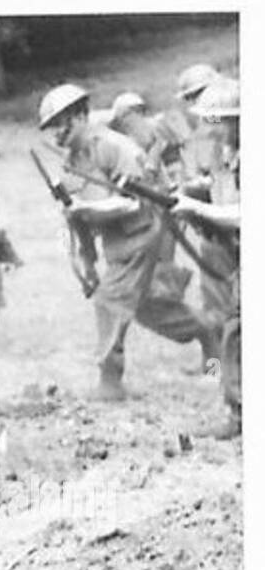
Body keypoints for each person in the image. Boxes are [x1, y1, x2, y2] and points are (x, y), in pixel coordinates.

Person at [38, 82, 215, 401]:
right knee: (149, 307)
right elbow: (79, 214)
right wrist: (86, 262)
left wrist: (86, 209)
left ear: (78, 116)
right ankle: (208, 335)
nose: (56, 135)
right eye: (51, 129)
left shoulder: (116, 147)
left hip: (143, 233)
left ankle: (110, 383)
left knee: (110, 300)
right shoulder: (77, 157)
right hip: (118, 239)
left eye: (59, 125)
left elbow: (133, 203)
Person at [173, 78, 240, 437]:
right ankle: (221, 383)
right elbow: (214, 184)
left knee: (228, 325)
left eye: (216, 119)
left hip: (235, 248)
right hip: (221, 246)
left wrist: (195, 205)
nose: (206, 124)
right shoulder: (221, 151)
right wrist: (189, 192)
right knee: (223, 323)